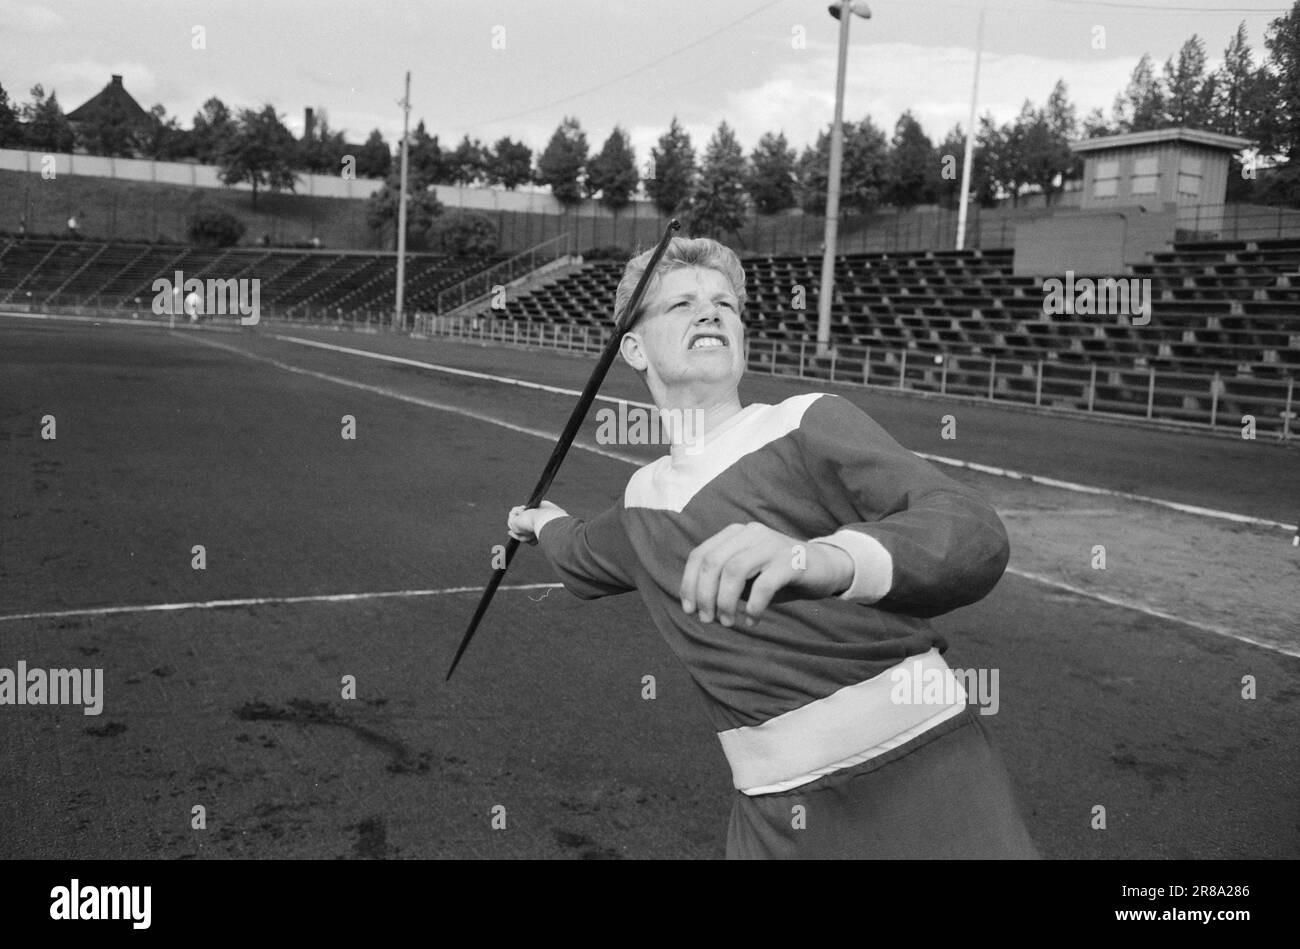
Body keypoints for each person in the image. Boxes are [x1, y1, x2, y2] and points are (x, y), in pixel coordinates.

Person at [507, 237, 1038, 860]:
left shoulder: (804, 421)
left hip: (925, 776)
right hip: (772, 812)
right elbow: (578, 555)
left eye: (724, 305)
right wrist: (537, 522)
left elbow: (970, 531)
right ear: (633, 348)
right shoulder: (641, 501)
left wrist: (825, 559)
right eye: (681, 304)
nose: (710, 314)